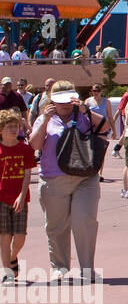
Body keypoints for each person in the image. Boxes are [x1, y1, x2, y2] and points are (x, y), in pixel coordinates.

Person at [28, 81, 109, 280]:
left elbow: (106, 127)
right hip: (53, 179)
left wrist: (85, 110)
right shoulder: (44, 118)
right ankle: (60, 268)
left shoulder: (83, 115)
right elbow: (35, 145)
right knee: (56, 226)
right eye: (60, 101)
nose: (65, 105)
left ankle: (87, 269)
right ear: (52, 100)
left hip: (85, 177)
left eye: (68, 101)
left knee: (84, 221)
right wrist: (46, 120)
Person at [0, 109, 38, 283]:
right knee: (5, 236)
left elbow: (27, 174)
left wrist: (22, 196)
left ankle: (13, 257)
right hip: (1, 198)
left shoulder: (25, 149)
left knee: (20, 237)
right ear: (1, 129)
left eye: (16, 126)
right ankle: (7, 271)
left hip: (19, 198)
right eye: (9, 127)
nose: (14, 130)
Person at [85, 84, 115, 182]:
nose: (95, 92)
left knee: (101, 151)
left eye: (97, 90)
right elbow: (84, 115)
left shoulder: (107, 102)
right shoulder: (88, 101)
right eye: (93, 90)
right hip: (91, 129)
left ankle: (99, 173)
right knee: (90, 151)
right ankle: (90, 170)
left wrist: (114, 130)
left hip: (103, 129)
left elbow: (110, 117)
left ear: (101, 91)